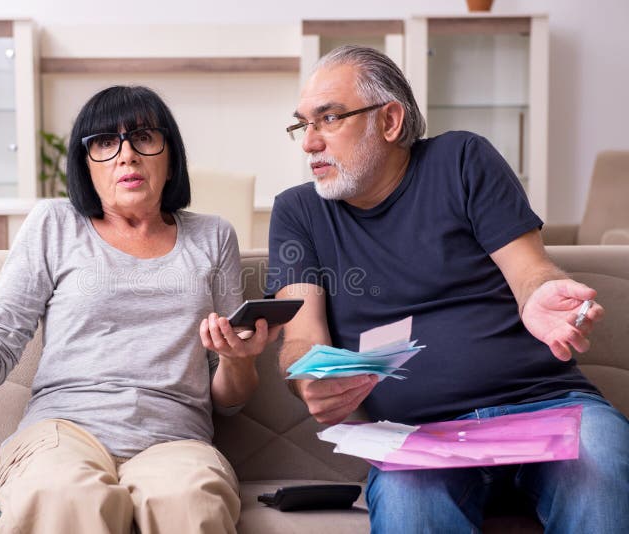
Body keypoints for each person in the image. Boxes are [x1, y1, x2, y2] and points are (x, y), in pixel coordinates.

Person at [0, 85, 276, 534]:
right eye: (105, 143)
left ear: (170, 156)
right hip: (64, 432)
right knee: (65, 497)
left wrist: (236, 358)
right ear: (85, 165)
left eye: (144, 138)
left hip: (175, 438)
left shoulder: (213, 237)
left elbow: (230, 400)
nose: (126, 156)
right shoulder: (54, 224)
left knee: (190, 503)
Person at [266, 45, 629, 533]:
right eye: (303, 125)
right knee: (408, 501)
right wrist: (309, 377)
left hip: (546, 404)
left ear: (390, 120)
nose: (309, 142)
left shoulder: (462, 159)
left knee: (602, 466)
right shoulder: (297, 212)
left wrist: (543, 293)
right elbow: (299, 337)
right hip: (419, 436)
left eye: (328, 119)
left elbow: (531, 273)